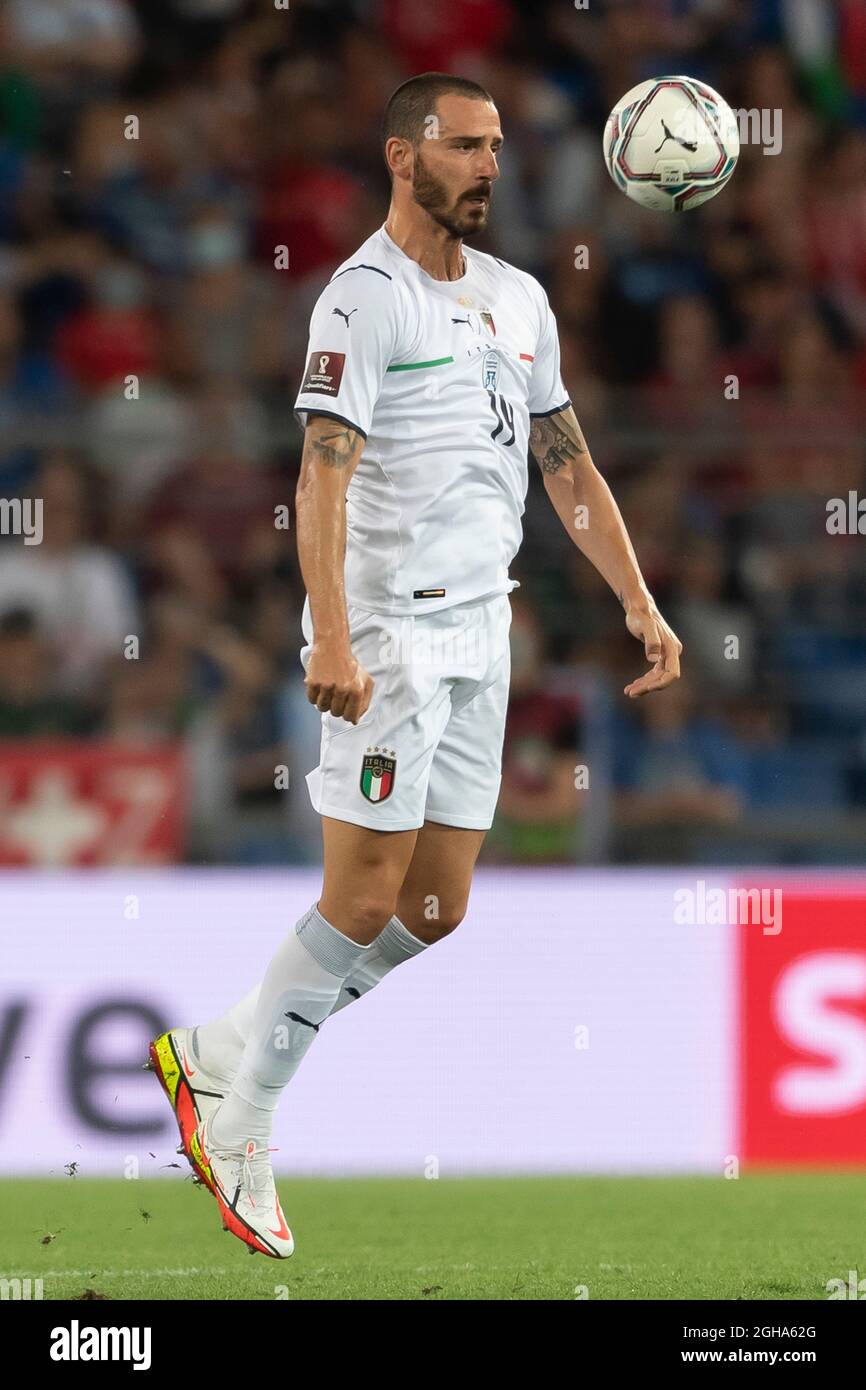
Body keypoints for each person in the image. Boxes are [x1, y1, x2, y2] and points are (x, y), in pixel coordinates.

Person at [148, 72, 682, 1258]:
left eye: (497, 146)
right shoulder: (360, 300)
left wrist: (638, 602)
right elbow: (320, 473)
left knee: (435, 910)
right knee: (362, 897)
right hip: (387, 631)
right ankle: (242, 1122)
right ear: (403, 156)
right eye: (465, 145)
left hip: (481, 634)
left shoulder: (520, 301)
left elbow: (566, 466)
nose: (490, 165)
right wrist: (330, 630)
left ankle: (221, 1047)